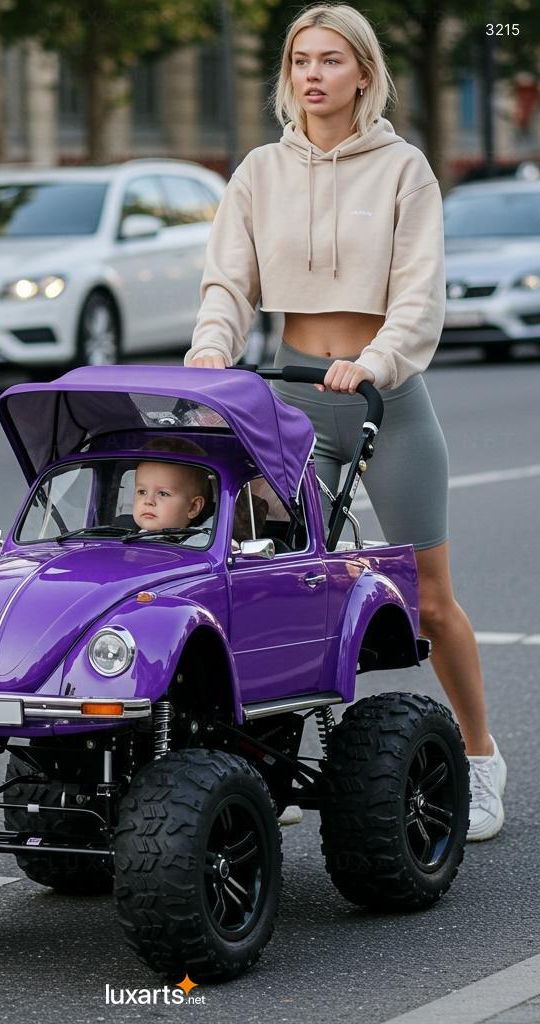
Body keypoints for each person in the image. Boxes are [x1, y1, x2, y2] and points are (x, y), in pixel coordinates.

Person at [185, 3, 506, 841]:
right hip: (291, 403)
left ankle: (480, 758)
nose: (313, 74)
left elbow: (419, 293)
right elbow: (228, 282)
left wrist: (378, 361)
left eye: (331, 60)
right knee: (277, 588)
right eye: (300, 60)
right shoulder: (259, 170)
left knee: (430, 600)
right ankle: (275, 763)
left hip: (383, 401)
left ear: (363, 72)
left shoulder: (404, 171)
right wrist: (211, 350)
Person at [133, 439, 210, 533]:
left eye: (163, 493)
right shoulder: (126, 538)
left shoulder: (199, 542)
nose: (148, 501)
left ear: (193, 507)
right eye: (142, 492)